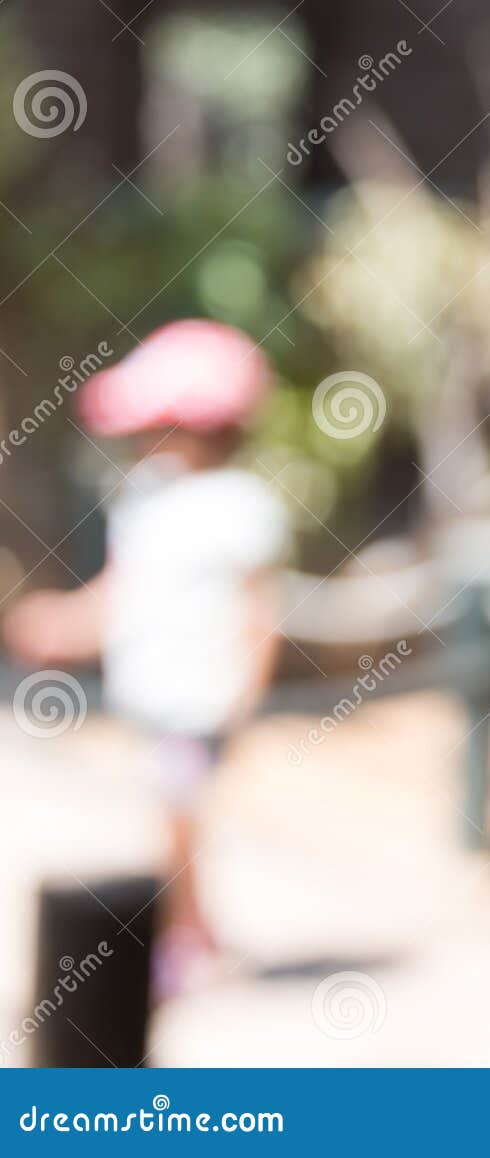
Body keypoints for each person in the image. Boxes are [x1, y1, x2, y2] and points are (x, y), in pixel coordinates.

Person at [3, 319, 289, 995]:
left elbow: (259, 612)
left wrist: (246, 695)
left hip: (200, 698)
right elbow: (123, 594)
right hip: (156, 692)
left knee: (177, 817)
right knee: (172, 816)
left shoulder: (239, 507)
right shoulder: (147, 498)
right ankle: (196, 933)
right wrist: (61, 627)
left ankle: (184, 941)